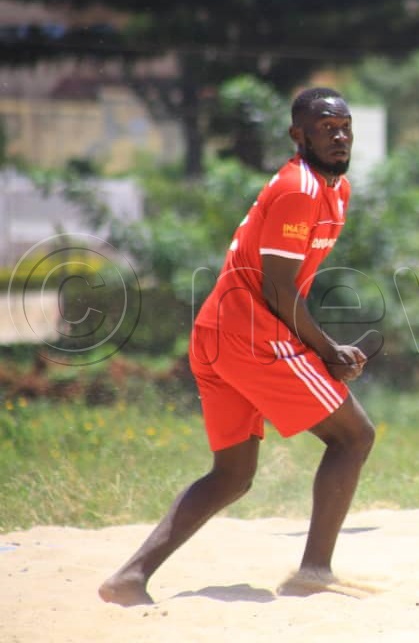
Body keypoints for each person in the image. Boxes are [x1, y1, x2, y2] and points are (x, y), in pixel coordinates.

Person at [99, 87, 376, 606]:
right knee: (354, 436)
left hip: (224, 331)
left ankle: (129, 578)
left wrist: (321, 349)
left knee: (232, 476)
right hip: (249, 334)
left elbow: (281, 286)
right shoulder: (299, 187)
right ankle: (314, 570)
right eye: (324, 127)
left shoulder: (335, 189)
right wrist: (328, 350)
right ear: (298, 135)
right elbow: (276, 286)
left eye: (345, 126)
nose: (338, 135)